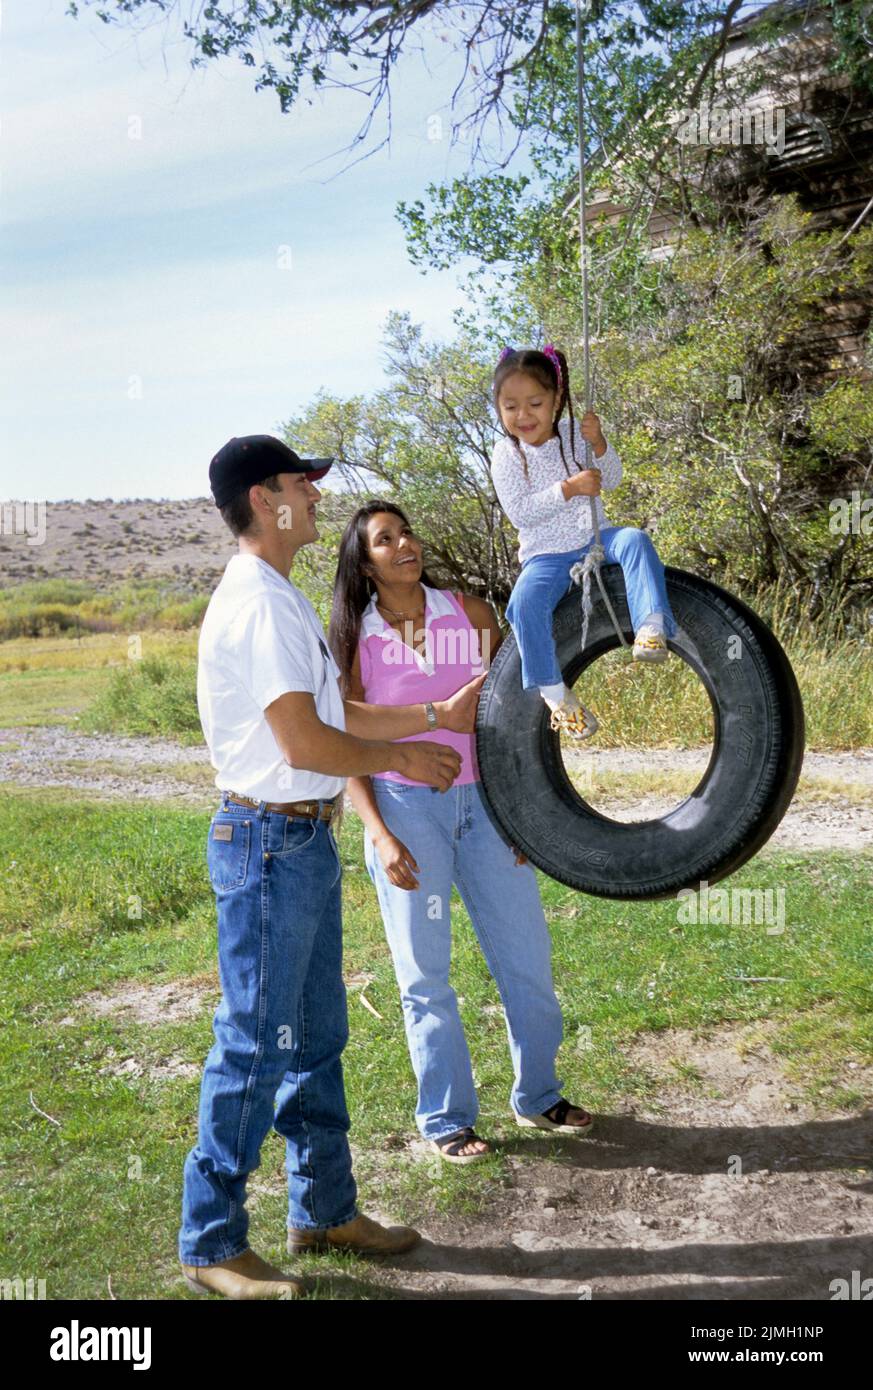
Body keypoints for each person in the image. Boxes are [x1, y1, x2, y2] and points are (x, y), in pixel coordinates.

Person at [178, 435, 485, 1299]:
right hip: (267, 844)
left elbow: (336, 709)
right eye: (302, 483)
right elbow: (305, 742)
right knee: (251, 1045)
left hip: (299, 842)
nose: (317, 494)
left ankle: (322, 1209)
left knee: (313, 1038)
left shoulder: (277, 595)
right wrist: (403, 763)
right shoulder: (260, 603)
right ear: (265, 497)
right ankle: (209, 1244)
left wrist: (428, 712)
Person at [327, 499, 595, 1164]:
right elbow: (343, 740)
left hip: (488, 808)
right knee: (425, 975)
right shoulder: (354, 639)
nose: (404, 544)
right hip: (404, 810)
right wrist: (381, 835)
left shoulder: (468, 615)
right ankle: (446, 1117)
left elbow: (519, 712)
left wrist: (522, 809)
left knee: (525, 958)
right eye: (386, 539)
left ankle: (539, 1094)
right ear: (365, 562)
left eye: (407, 531)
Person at [490, 344, 678, 738]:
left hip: (595, 538)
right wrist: (568, 489)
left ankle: (651, 626)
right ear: (499, 407)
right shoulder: (505, 454)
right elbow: (520, 513)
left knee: (635, 540)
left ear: (556, 399)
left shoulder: (575, 433)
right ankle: (556, 695)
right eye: (511, 406)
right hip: (545, 556)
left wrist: (601, 445)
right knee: (523, 604)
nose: (523, 415)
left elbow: (611, 478)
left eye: (535, 403)